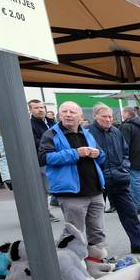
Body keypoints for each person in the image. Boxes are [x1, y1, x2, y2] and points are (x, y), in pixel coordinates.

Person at [38, 102, 108, 255]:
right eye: (65, 111)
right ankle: (66, 263)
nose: (68, 114)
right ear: (59, 115)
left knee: (97, 231)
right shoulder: (51, 134)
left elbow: (101, 154)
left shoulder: (87, 133)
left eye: (72, 112)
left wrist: (98, 153)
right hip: (71, 192)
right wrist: (76, 153)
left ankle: (95, 262)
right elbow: (45, 158)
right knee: (74, 232)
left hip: (95, 190)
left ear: (81, 116)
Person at [86, 104, 140, 255]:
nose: (108, 119)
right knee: (95, 218)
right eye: (104, 116)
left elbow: (125, 152)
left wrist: (124, 167)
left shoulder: (116, 131)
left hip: (119, 178)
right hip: (98, 180)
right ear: (95, 116)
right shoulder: (88, 132)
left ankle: (138, 244)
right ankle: (96, 251)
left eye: (110, 116)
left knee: (130, 213)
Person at [28, 99, 58, 217]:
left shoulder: (52, 122)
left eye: (42, 107)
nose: (40, 110)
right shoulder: (29, 125)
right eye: (36, 108)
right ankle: (44, 212)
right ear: (30, 110)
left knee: (56, 185)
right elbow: (35, 142)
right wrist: (53, 143)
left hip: (57, 158)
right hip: (43, 160)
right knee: (45, 189)